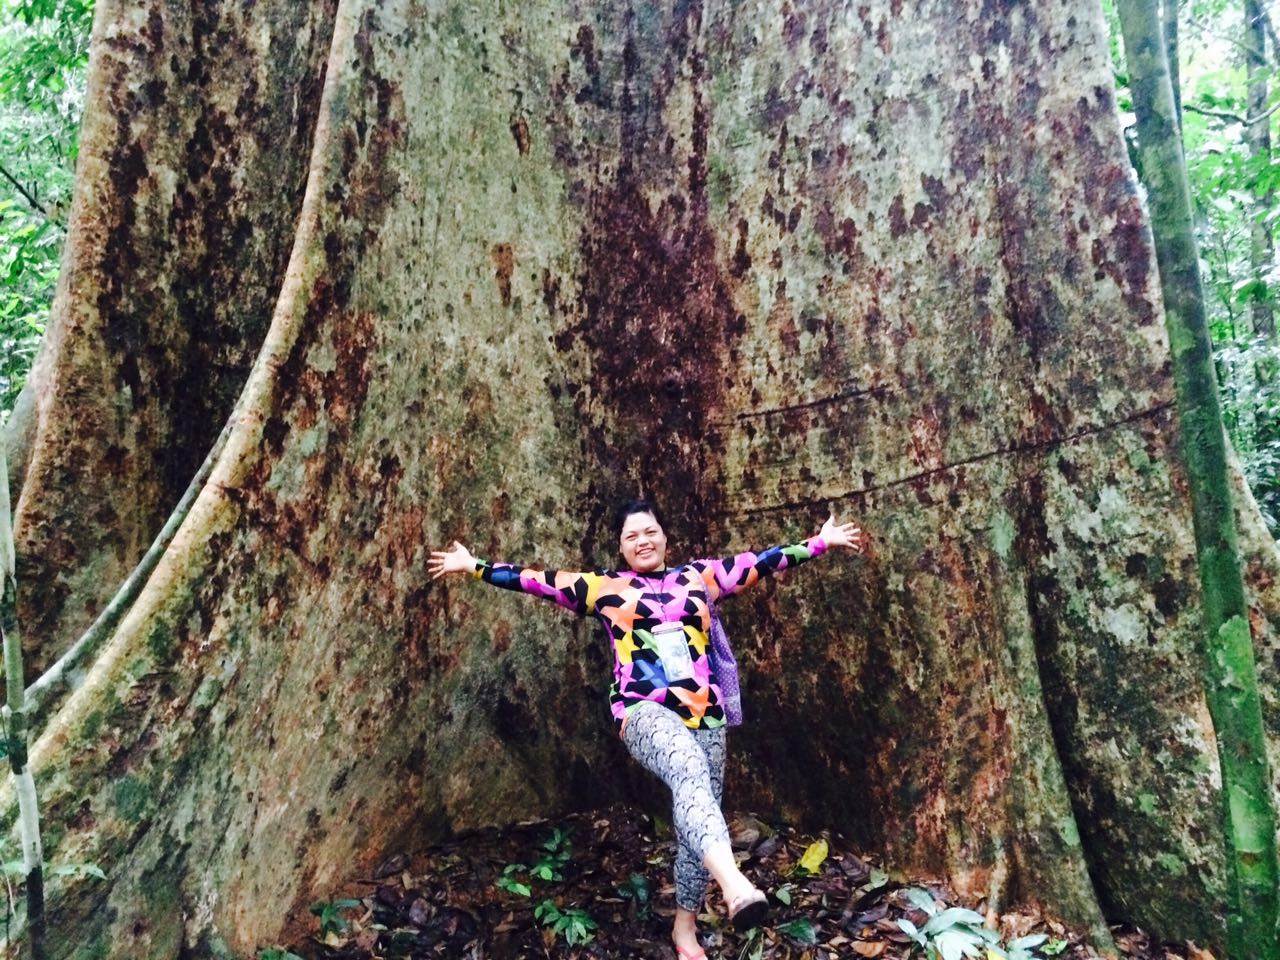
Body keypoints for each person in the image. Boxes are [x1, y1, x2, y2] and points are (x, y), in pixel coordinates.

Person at [429, 499, 865, 960]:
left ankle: (685, 930)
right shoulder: (603, 588)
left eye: (650, 531)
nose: (643, 541)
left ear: (664, 537)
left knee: (698, 815)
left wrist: (820, 542)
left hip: (706, 714)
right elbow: (535, 580)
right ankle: (736, 884)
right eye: (632, 536)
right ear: (621, 547)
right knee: (688, 769)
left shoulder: (700, 578)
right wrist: (473, 565)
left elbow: (761, 561)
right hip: (643, 711)